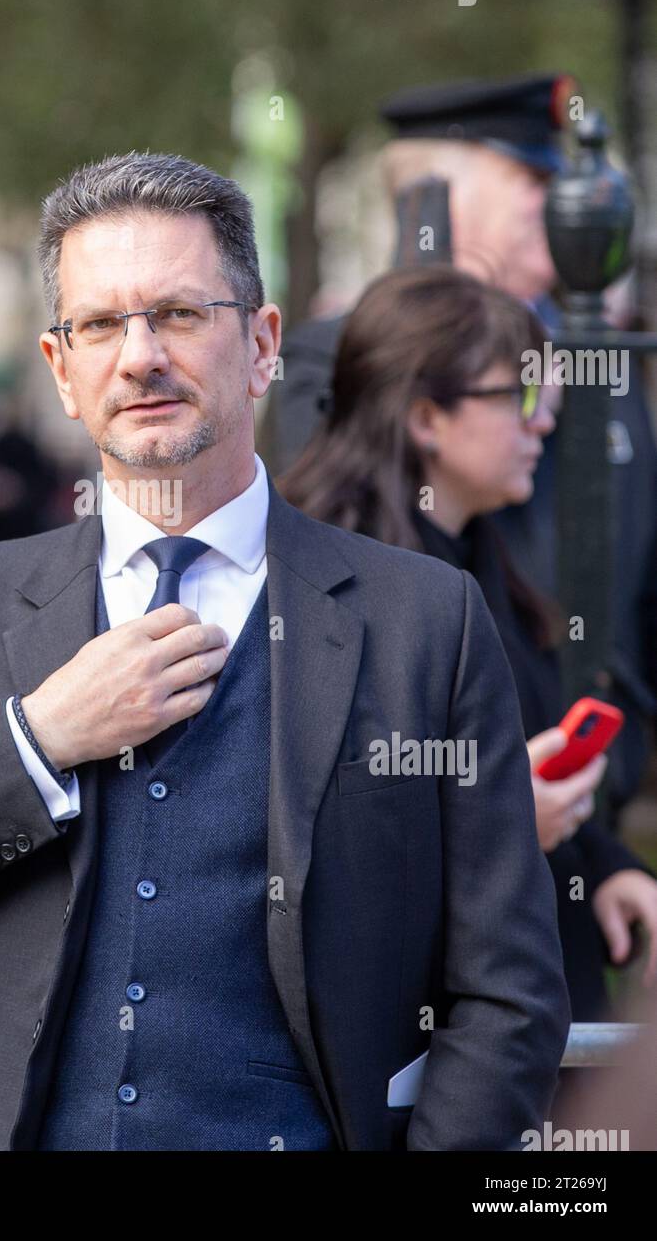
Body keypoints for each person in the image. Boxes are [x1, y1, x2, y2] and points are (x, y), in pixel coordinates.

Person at [0, 152, 570, 1152]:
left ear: (262, 342)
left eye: (179, 314)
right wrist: (36, 742)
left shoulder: (424, 619)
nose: (139, 354)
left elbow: (509, 995)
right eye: (99, 324)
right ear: (61, 371)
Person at [264, 73, 657, 822]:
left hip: (591, 814)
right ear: (444, 195)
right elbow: (363, 586)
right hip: (441, 827)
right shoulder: (341, 355)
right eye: (534, 179)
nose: (568, 201)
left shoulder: (597, 356)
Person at [277, 265, 657, 1024]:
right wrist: (508, 823)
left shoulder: (478, 547)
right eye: (519, 398)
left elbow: (522, 748)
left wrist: (607, 865)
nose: (545, 422)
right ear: (426, 418)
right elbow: (319, 837)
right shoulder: (324, 584)